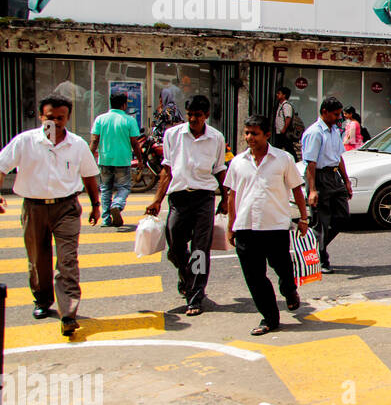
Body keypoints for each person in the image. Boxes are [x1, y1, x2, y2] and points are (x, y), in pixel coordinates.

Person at [0, 97, 101, 335]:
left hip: (66, 208)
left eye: (60, 118)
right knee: (38, 260)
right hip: (33, 208)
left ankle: (68, 313)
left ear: (67, 119)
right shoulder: (24, 141)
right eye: (49, 117)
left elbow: (88, 176)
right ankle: (42, 301)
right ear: (40, 116)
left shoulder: (77, 144)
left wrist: (96, 205)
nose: (54, 122)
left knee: (67, 261)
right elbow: (1, 166)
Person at [225, 115, 311, 336]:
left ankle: (290, 291)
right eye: (246, 133)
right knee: (254, 277)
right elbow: (232, 196)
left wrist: (303, 218)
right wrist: (230, 225)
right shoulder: (237, 162)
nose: (249, 137)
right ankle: (270, 318)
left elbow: (296, 189)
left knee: (283, 267)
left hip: (275, 227)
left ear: (267, 135)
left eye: (254, 133)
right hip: (245, 227)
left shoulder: (283, 159)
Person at [145, 95, 227, 316]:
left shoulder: (216, 138)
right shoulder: (173, 135)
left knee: (200, 250)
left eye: (197, 116)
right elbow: (167, 171)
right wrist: (157, 200)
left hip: (204, 199)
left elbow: (220, 170)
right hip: (179, 198)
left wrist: (225, 200)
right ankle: (186, 276)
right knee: (175, 245)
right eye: (190, 115)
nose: (193, 119)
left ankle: (195, 295)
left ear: (206, 116)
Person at [302, 96, 352, 274]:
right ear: (324, 112)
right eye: (335, 114)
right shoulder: (314, 132)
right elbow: (311, 163)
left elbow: (339, 157)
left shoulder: (334, 131)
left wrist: (346, 181)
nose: (338, 118)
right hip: (319, 177)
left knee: (342, 217)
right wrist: (313, 189)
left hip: (334, 177)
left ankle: (315, 247)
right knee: (320, 222)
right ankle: (321, 258)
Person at [90, 91, 142, 227]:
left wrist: (89, 157)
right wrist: (140, 160)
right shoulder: (129, 120)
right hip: (122, 160)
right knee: (124, 187)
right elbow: (135, 143)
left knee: (105, 188)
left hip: (104, 159)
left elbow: (95, 140)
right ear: (124, 105)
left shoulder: (100, 119)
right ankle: (117, 205)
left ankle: (106, 219)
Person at [272, 86, 298, 154]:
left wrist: (284, 129)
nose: (277, 95)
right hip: (280, 131)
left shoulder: (286, 105)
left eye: (279, 93)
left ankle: (295, 162)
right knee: (281, 148)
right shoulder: (280, 105)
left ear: (284, 95)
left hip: (284, 132)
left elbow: (288, 118)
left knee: (288, 148)